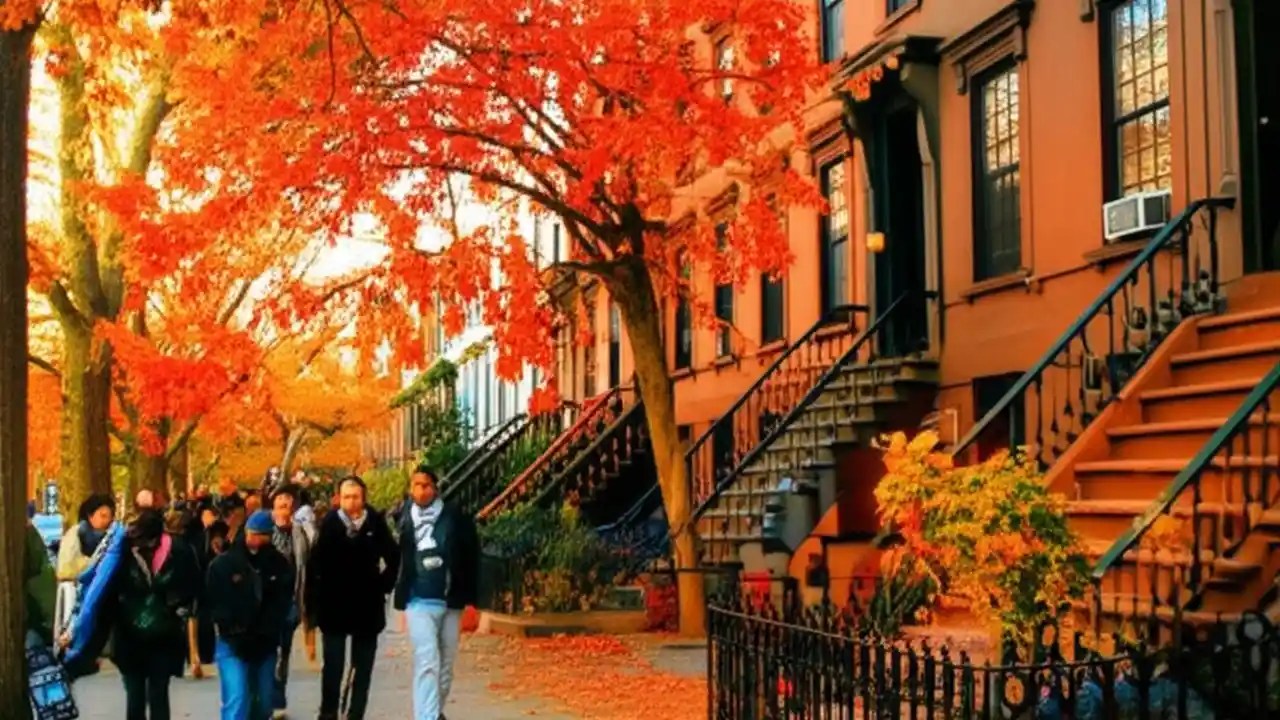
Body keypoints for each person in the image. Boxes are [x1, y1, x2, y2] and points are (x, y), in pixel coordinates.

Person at [306, 476, 399, 720]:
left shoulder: (375, 523)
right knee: (333, 665)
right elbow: (314, 565)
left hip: (367, 605)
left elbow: (394, 558)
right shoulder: (329, 524)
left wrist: (383, 586)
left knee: (363, 667)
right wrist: (314, 603)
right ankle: (328, 712)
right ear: (339, 498)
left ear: (364, 497)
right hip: (334, 605)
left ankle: (355, 712)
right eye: (346, 497)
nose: (351, 502)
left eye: (356, 496)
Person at [393, 466, 479, 720]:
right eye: (417, 485)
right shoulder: (402, 518)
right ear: (411, 488)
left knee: (445, 669)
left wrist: (473, 600)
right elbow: (396, 560)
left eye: (427, 485)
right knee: (427, 662)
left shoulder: (455, 518)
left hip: (450, 601)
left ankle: (434, 711)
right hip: (418, 600)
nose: (422, 490)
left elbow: (471, 557)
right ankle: (427, 717)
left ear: (435, 488)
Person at [109, 509, 200, 720]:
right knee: (135, 695)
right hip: (129, 634)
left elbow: (193, 587)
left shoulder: (179, 551)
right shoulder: (122, 551)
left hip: (163, 634)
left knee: (159, 693)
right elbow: (106, 590)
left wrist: (176, 603)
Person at [207, 510, 295, 720]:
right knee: (237, 697)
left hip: (265, 642)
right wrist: (231, 626)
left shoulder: (279, 565)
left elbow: (282, 602)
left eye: (260, 534)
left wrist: (271, 628)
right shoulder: (224, 564)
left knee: (263, 701)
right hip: (232, 640)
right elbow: (213, 601)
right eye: (251, 533)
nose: (253, 539)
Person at [267, 485, 311, 719]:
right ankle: (267, 698)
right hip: (267, 603)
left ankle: (278, 698)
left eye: (288, 506)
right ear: (273, 509)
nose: (284, 510)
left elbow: (307, 564)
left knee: (283, 652)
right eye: (280, 506)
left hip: (290, 601)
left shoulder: (300, 533)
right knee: (268, 652)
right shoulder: (265, 532)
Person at [56, 493, 117, 581]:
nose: (107, 521)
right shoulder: (76, 534)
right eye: (103, 516)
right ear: (90, 516)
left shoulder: (110, 537)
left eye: (110, 517)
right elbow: (64, 570)